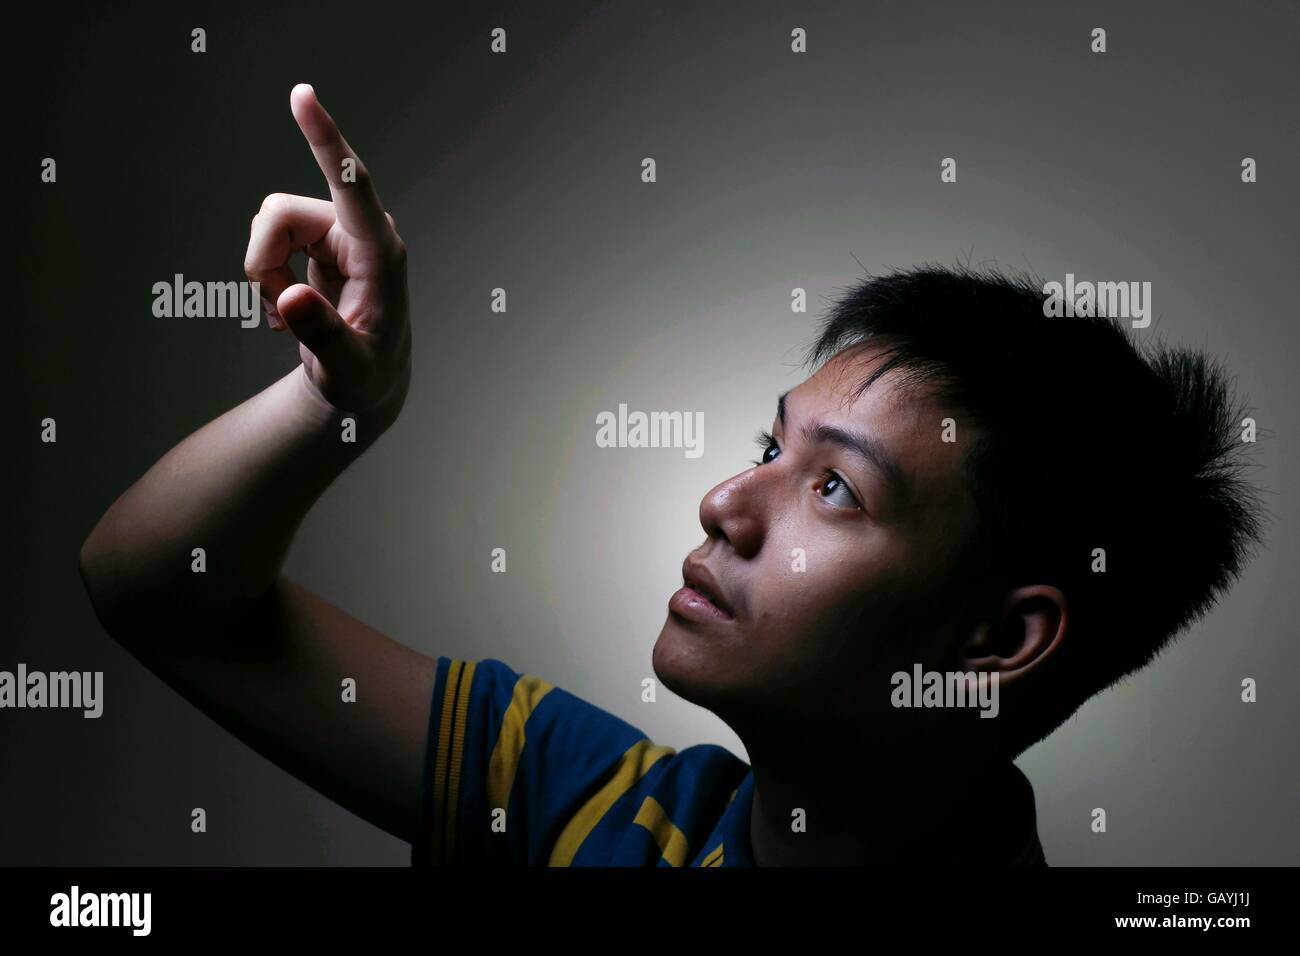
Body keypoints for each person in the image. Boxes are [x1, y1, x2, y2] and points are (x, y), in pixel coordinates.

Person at [77, 84, 1267, 867]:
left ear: (1001, 640)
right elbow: (156, 590)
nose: (722, 504)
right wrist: (335, 407)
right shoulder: (584, 801)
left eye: (835, 488)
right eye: (769, 448)